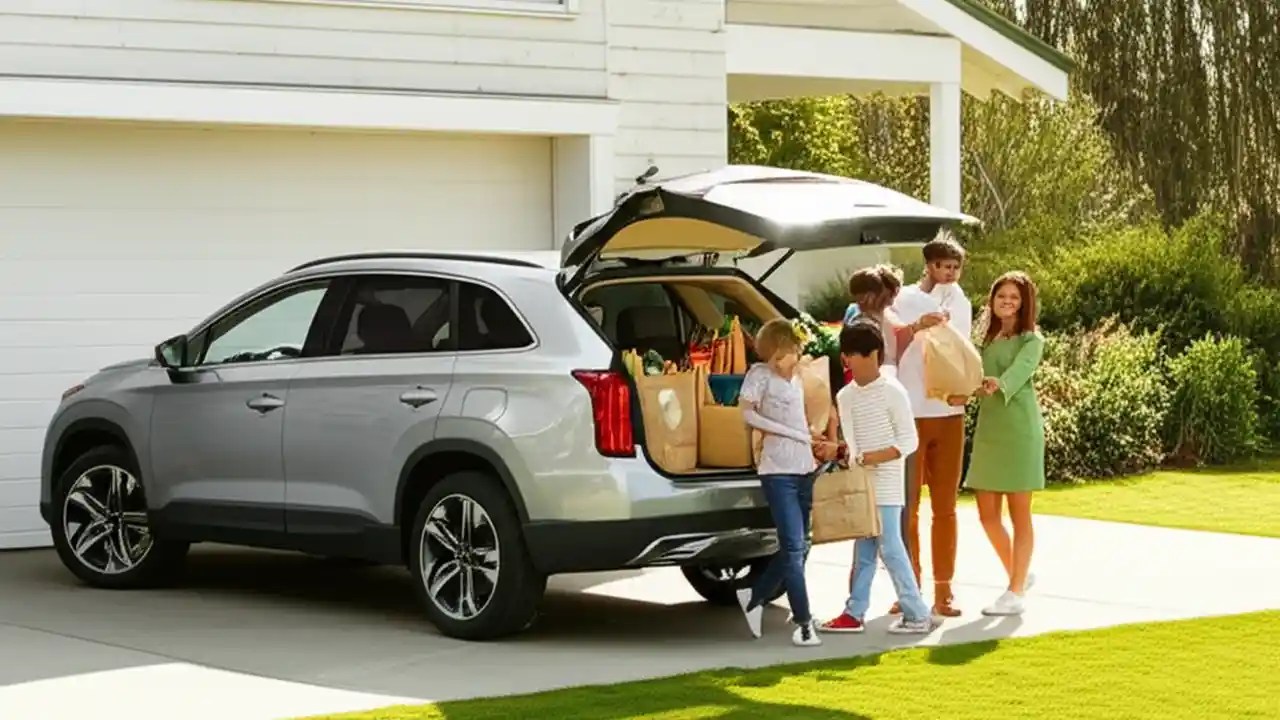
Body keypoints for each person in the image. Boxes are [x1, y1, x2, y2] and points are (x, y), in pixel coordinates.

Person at [819, 320, 935, 635]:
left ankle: (917, 612)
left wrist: (873, 458)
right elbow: (854, 444)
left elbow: (908, 442)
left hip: (886, 487)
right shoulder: (845, 397)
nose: (850, 361)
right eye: (847, 355)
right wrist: (846, 455)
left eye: (857, 355)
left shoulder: (893, 392)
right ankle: (854, 613)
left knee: (891, 548)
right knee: (864, 551)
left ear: (874, 355)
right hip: (861, 486)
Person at [891, 233, 972, 617]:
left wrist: (966, 390)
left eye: (956, 267)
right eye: (943, 266)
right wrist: (916, 327)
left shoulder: (962, 303)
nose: (950, 273)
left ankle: (945, 590)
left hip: (948, 413)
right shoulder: (902, 300)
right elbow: (892, 349)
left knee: (946, 506)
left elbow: (964, 351)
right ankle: (909, 588)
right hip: (909, 411)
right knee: (908, 508)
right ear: (929, 265)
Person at [735, 318, 823, 647]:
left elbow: (800, 417)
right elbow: (746, 413)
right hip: (777, 471)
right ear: (776, 352)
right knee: (793, 546)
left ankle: (754, 595)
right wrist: (789, 432)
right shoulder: (760, 376)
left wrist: (811, 439)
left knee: (801, 545)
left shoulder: (798, 378)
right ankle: (803, 622)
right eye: (792, 352)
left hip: (804, 468)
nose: (797, 357)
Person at [964, 271, 1046, 616]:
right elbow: (967, 370)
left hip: (1020, 430)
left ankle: (1014, 590)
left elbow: (1019, 372)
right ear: (993, 300)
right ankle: (1020, 573)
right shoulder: (982, 339)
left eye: (1014, 298)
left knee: (1019, 513)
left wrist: (998, 383)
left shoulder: (1032, 340)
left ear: (1024, 303)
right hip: (989, 431)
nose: (1007, 302)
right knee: (987, 516)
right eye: (1002, 296)